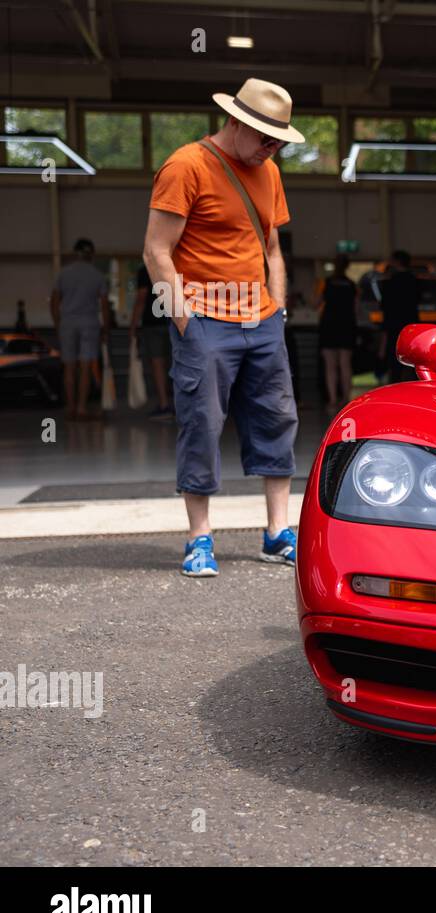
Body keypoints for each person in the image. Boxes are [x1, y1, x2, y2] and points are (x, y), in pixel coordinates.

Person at [142, 77, 305, 578]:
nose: (270, 149)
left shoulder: (269, 171)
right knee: (202, 424)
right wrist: (184, 321)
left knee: (276, 420)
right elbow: (156, 251)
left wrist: (276, 307)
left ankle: (277, 534)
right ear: (235, 122)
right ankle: (199, 538)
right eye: (263, 138)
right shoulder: (186, 166)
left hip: (262, 321)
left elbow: (272, 248)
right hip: (204, 321)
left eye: (278, 141)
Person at [49, 238, 110, 420]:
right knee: (85, 366)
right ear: (91, 254)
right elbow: (105, 306)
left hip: (67, 323)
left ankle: (71, 408)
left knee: (69, 367)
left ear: (75, 253)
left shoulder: (63, 274)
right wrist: (105, 329)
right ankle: (82, 408)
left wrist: (58, 323)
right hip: (89, 323)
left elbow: (54, 302)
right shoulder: (97, 275)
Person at [128, 264, 174, 420]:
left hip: (153, 323)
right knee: (178, 364)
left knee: (157, 363)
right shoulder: (177, 265)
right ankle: (183, 405)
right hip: (177, 321)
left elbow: (141, 299)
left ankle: (164, 404)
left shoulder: (146, 270)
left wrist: (133, 326)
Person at [315, 254, 358, 409]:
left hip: (329, 325)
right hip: (346, 325)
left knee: (330, 365)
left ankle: (333, 399)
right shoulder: (351, 284)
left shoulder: (327, 283)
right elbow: (356, 308)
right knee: (345, 364)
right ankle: (346, 398)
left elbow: (316, 303)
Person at [379, 250, 419, 383]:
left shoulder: (390, 282)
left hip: (394, 326)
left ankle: (395, 390)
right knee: (413, 361)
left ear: (396, 262)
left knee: (395, 363)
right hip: (411, 326)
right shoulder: (414, 281)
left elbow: (385, 307)